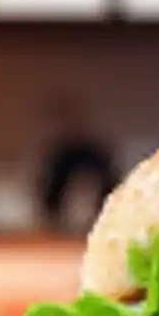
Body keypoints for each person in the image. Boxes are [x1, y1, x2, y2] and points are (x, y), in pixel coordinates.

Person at [38, 96, 118, 231]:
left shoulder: (95, 155)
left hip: (97, 223)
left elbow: (110, 189)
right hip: (59, 226)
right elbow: (48, 195)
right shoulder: (57, 158)